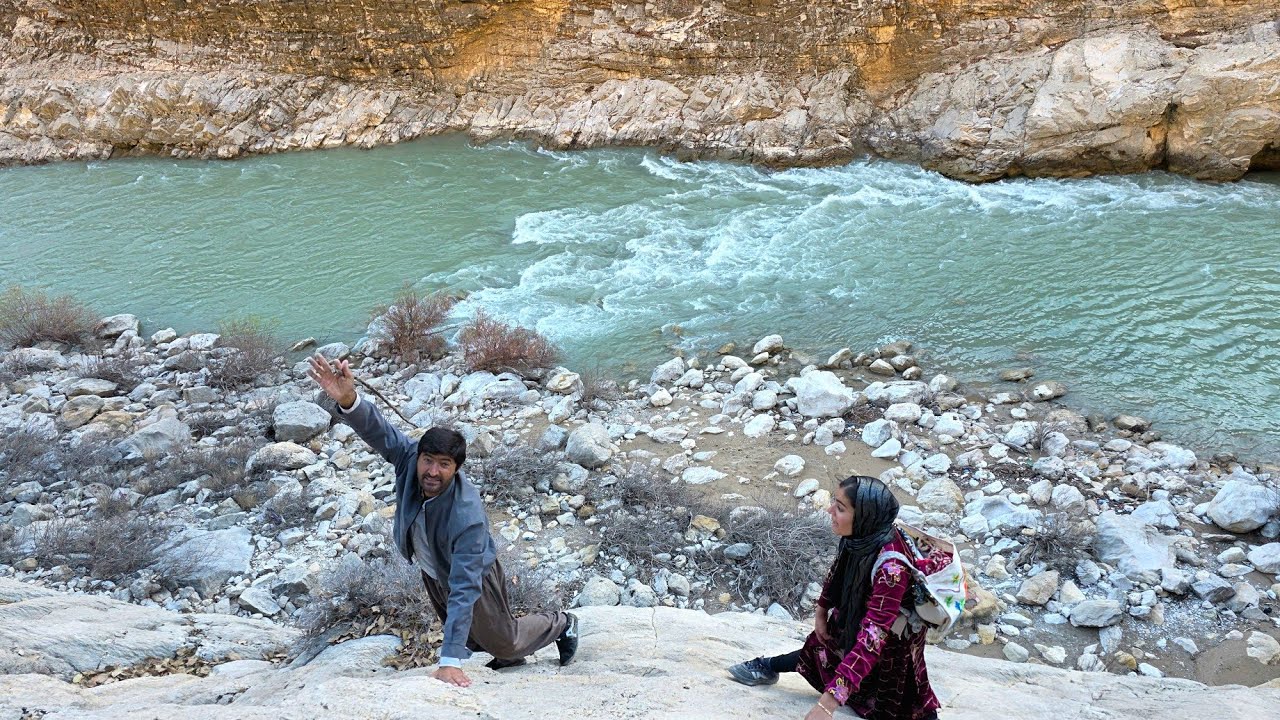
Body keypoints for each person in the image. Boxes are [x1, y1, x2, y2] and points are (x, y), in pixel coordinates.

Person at [308, 353, 579, 688]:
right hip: (433, 566)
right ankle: (509, 659)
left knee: (502, 637)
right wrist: (348, 399)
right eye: (428, 461)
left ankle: (562, 623)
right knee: (473, 636)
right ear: (418, 456)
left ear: (456, 468)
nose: (432, 472)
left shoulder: (467, 518)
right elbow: (379, 431)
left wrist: (448, 663)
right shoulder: (408, 460)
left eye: (444, 464)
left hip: (472, 571)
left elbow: (465, 588)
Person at [727, 475, 946, 720]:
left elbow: (872, 640)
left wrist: (826, 706)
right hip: (856, 620)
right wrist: (822, 609)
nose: (830, 510)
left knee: (905, 705)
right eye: (834, 502)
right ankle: (769, 667)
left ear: (864, 515)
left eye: (840, 508)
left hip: (890, 643)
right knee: (824, 651)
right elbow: (837, 572)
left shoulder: (891, 570)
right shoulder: (860, 538)